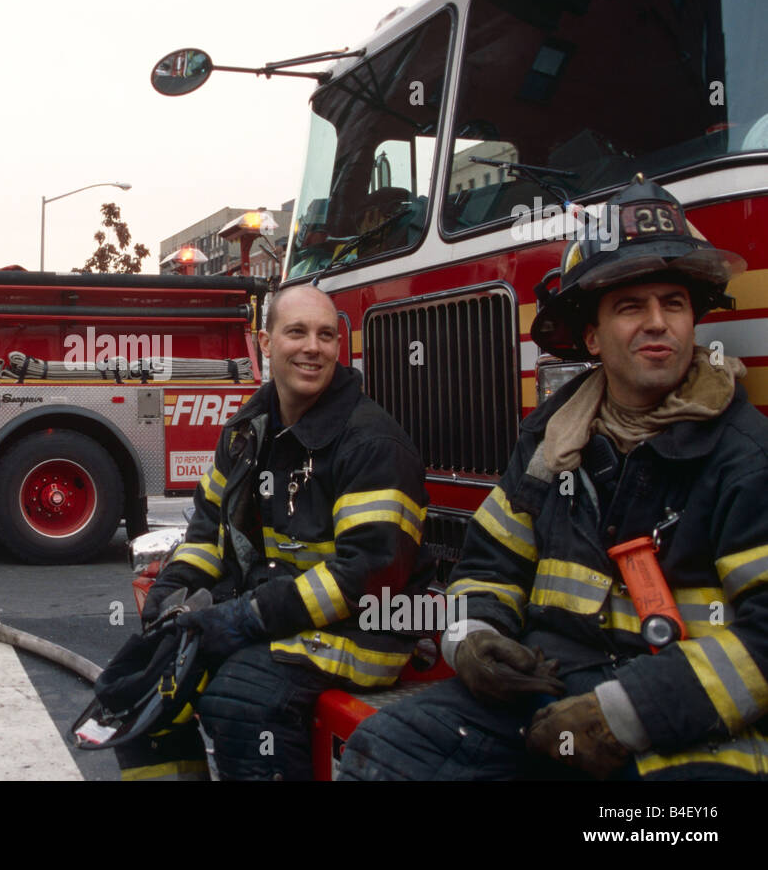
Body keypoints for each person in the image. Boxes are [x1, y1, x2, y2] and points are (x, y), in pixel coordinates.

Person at [340, 176, 768, 780]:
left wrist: (622, 714)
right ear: (592, 336)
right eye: (630, 306)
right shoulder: (550, 443)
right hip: (545, 702)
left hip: (688, 733)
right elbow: (488, 566)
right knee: (387, 750)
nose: (657, 323)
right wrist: (474, 639)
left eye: (673, 304)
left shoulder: (743, 455)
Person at [117, 284, 432, 780]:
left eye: (326, 335)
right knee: (141, 685)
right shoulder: (246, 432)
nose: (313, 347)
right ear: (264, 342)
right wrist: (171, 592)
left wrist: (245, 617)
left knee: (242, 701)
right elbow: (207, 533)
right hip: (280, 623)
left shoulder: (371, 443)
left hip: (360, 633)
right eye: (297, 332)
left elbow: (370, 577)